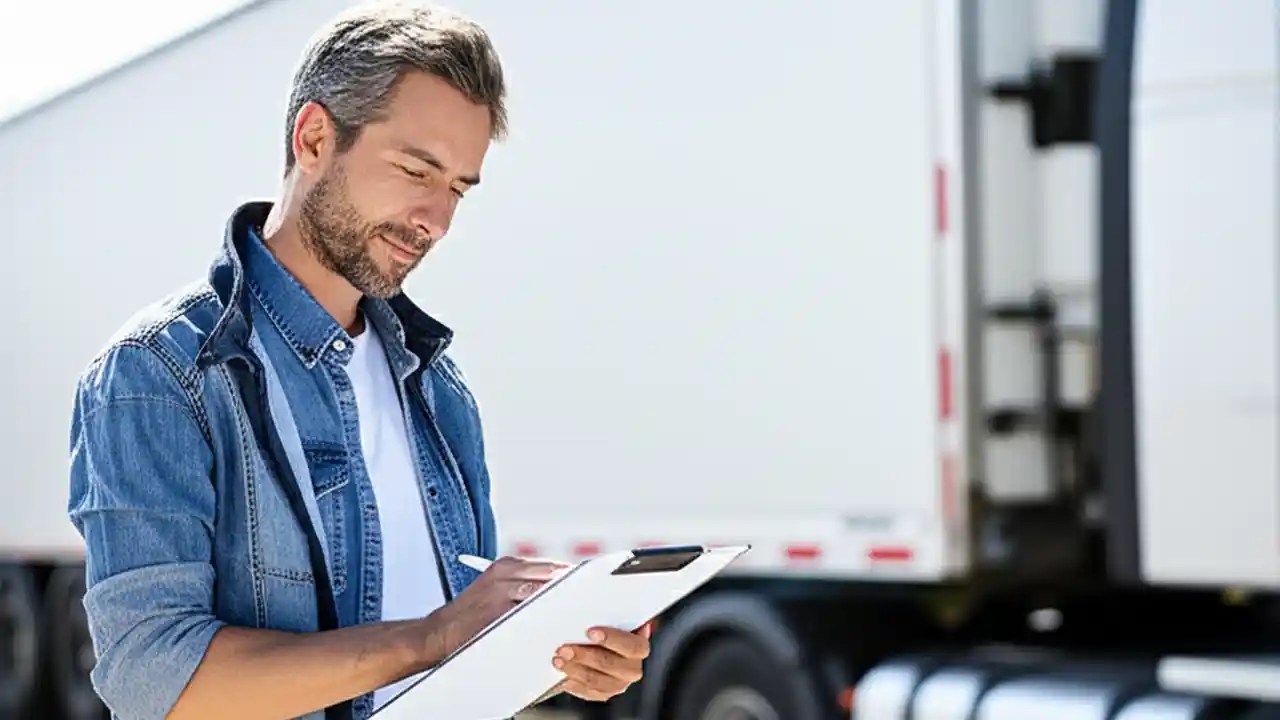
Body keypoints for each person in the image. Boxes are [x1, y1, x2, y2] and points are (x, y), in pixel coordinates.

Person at [66, 1, 649, 718]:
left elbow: (458, 655)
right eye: (415, 170)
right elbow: (153, 677)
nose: (436, 220)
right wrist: (430, 637)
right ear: (314, 138)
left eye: (458, 188)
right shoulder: (159, 374)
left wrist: (561, 657)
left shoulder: (438, 387)